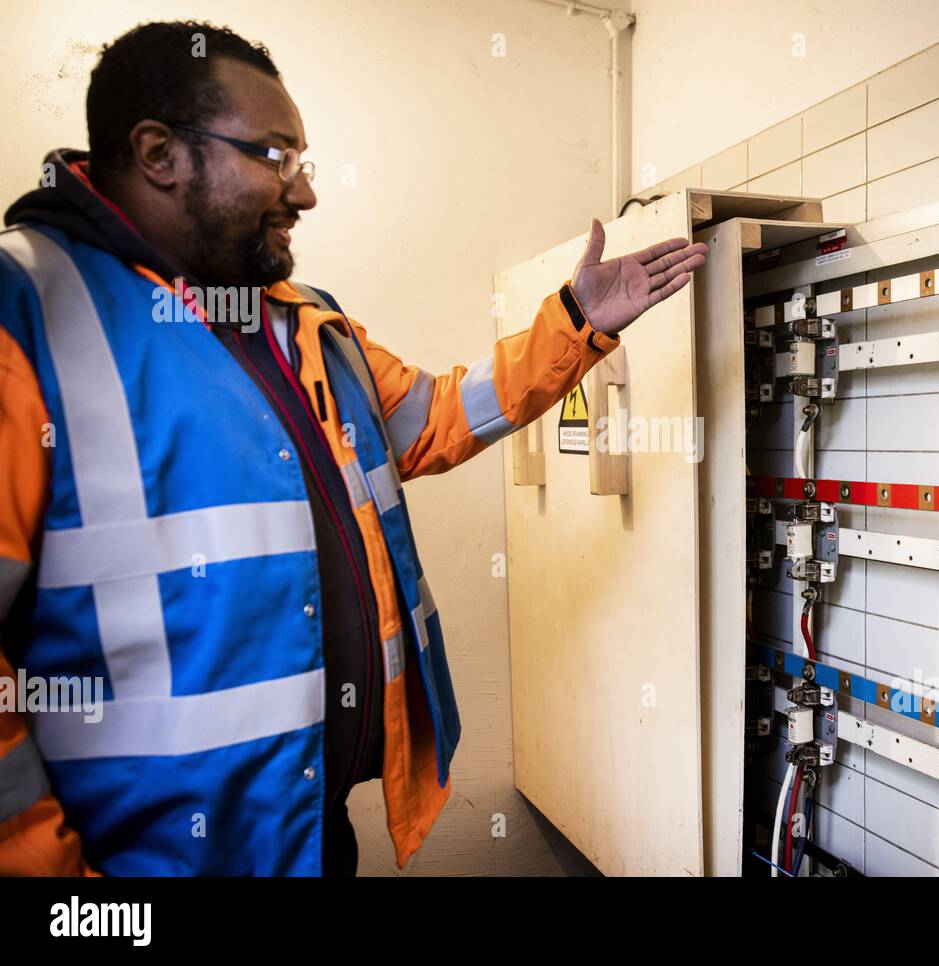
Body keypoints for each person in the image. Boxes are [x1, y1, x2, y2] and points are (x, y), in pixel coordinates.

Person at [0, 20, 705, 876]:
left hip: (306, 829)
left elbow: (437, 416)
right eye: (273, 156)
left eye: (303, 161)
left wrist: (574, 326)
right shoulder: (29, 312)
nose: (303, 194)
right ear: (159, 154)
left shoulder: (302, 321)